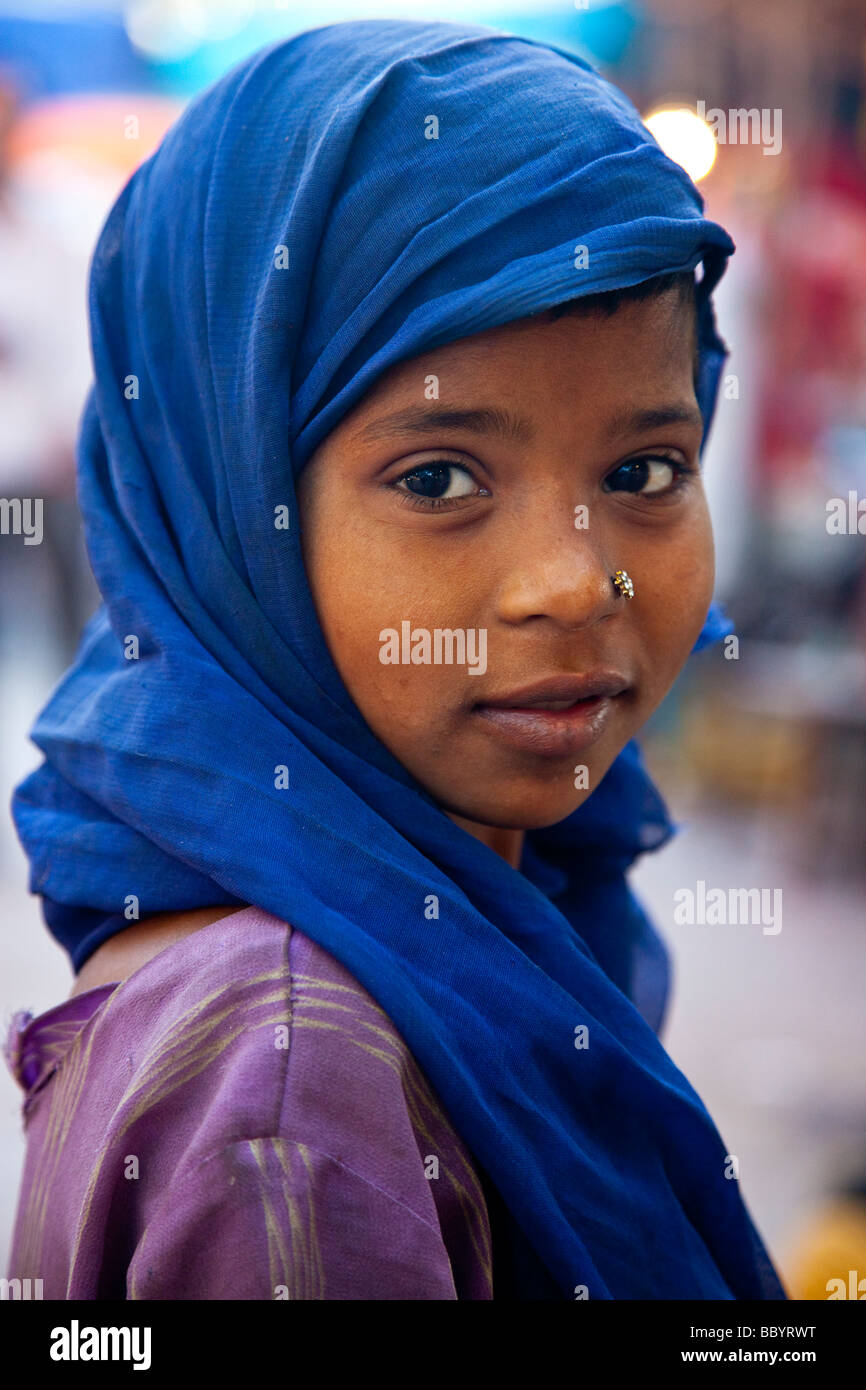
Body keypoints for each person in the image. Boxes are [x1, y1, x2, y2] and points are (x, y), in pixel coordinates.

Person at [4, 19, 786, 1300]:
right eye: (439, 477)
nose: (576, 583)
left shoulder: (483, 915)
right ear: (232, 508)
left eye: (644, 470)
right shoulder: (294, 1101)